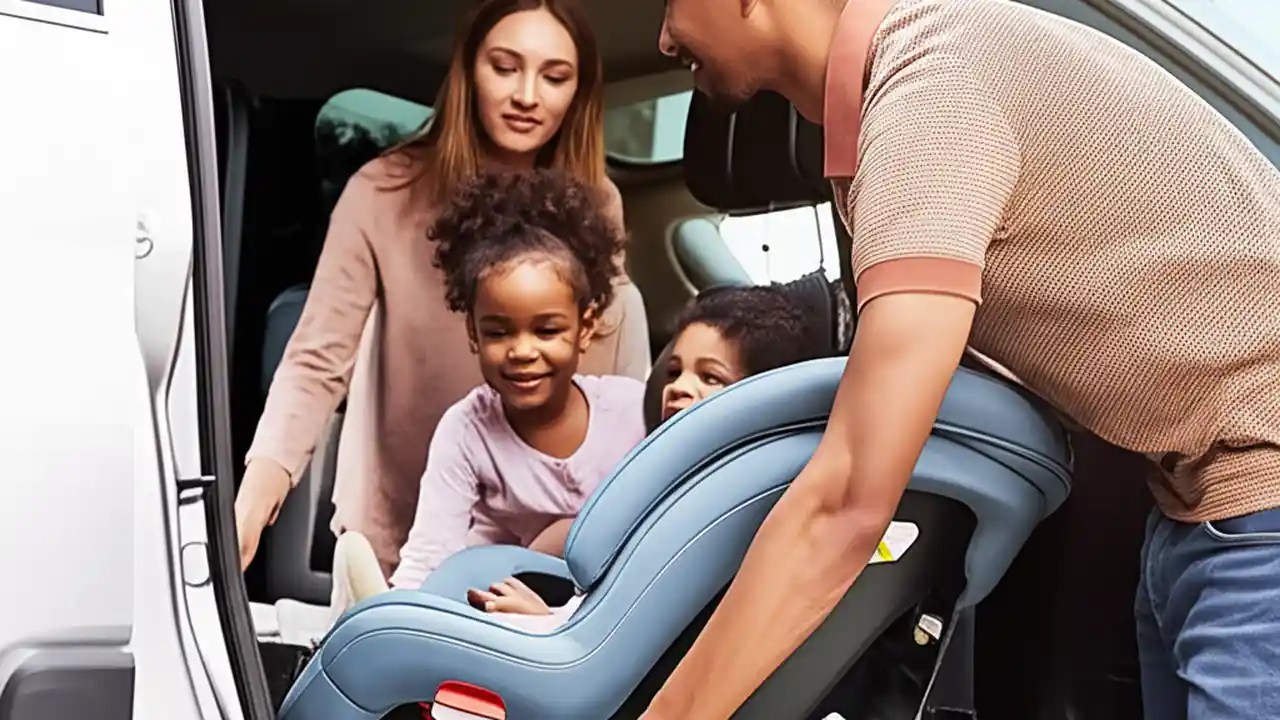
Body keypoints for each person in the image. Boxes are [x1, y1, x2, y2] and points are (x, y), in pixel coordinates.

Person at [643, 1, 1280, 719]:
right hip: (1197, 511)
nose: (664, 35)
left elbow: (849, 499)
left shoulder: (931, 100)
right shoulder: (923, 79)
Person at [235, 0, 651, 579]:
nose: (528, 94)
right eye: (505, 67)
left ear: (578, 92)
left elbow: (604, 362)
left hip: (550, 551)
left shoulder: (595, 200)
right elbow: (317, 359)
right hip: (401, 533)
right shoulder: (383, 192)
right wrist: (258, 493)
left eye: (555, 77)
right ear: (468, 72)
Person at [327, 167, 647, 617]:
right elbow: (430, 552)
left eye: (547, 330)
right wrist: (402, 608)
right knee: (451, 586)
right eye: (498, 333)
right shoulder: (467, 429)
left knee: (577, 535)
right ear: (474, 335)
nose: (522, 351)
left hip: (595, 611)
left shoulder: (632, 411)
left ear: (585, 327)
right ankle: (380, 616)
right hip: (491, 604)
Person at [465, 285, 819, 629]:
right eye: (675, 371)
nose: (679, 387)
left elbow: (642, 632)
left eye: (710, 377)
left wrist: (545, 624)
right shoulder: (675, 487)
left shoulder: (720, 511)